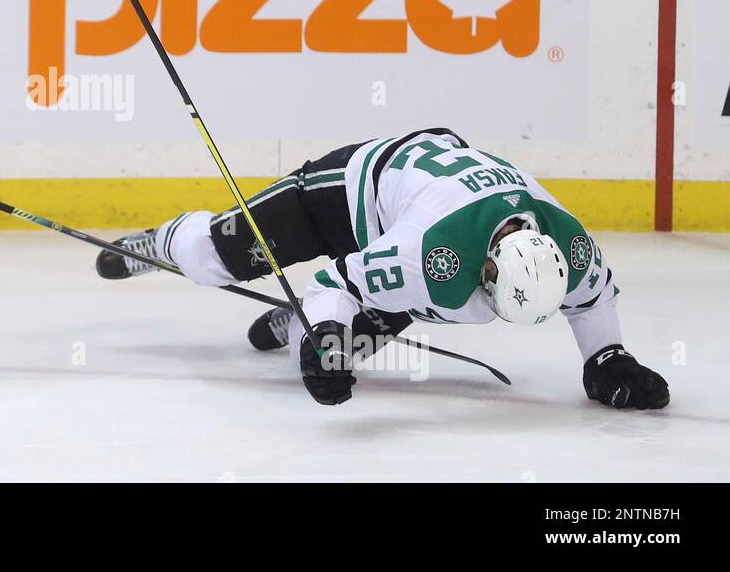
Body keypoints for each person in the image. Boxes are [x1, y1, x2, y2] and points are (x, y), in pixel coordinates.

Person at [96, 128, 669, 409]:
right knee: (217, 259)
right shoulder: (431, 256)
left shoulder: (571, 248)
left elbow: (593, 300)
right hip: (352, 190)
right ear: (489, 268)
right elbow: (336, 279)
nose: (485, 309)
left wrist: (606, 358)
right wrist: (326, 330)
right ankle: (164, 243)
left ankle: (290, 324)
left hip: (419, 214)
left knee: (342, 349)